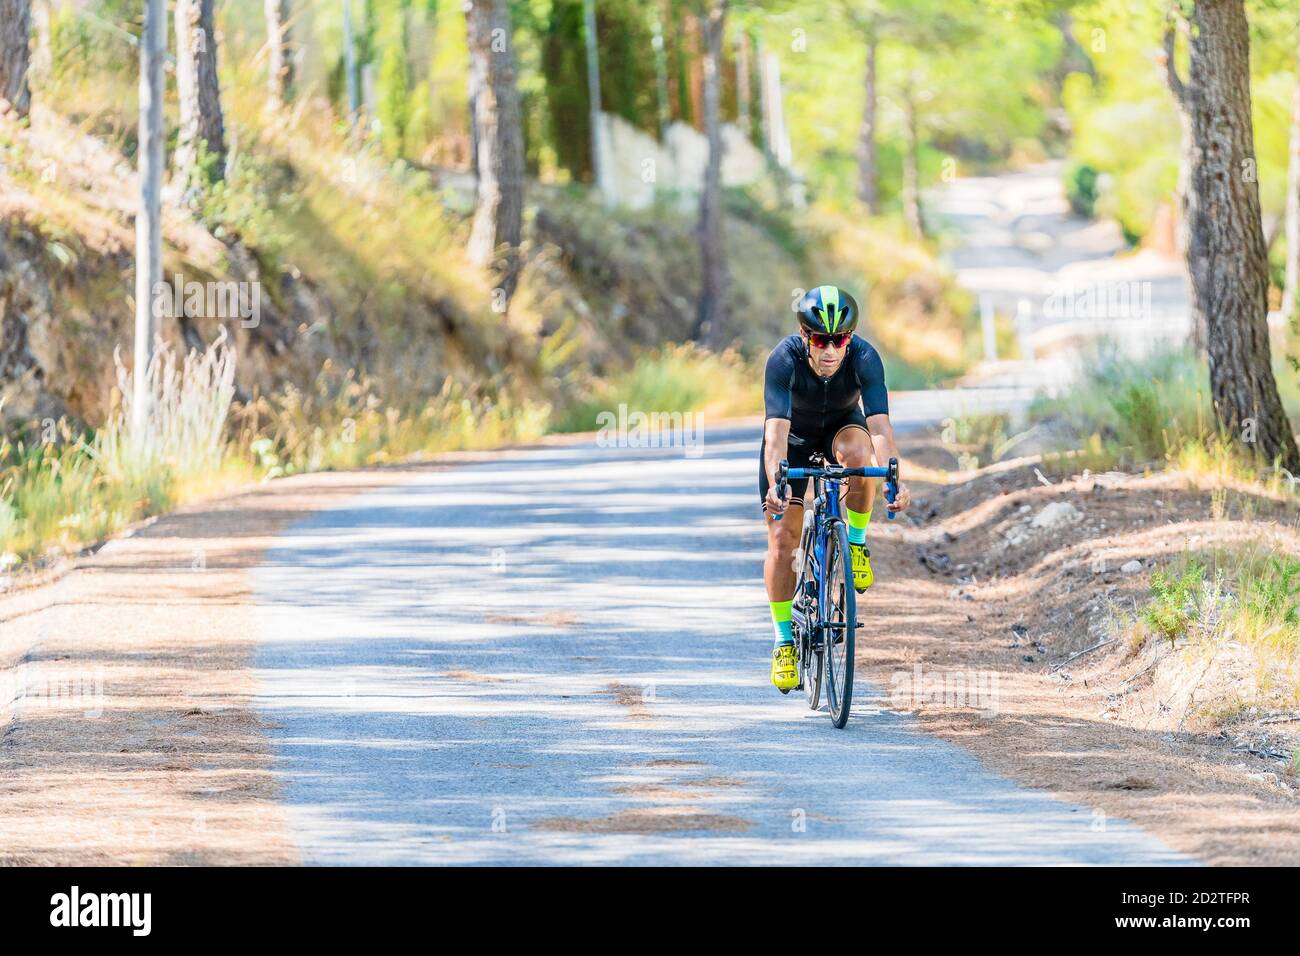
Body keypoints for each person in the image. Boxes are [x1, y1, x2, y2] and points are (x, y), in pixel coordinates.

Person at [759, 285, 911, 690]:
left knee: (860, 459)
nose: (829, 350)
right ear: (805, 336)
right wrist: (776, 481)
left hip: (841, 431)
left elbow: (879, 427)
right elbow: (774, 435)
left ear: (850, 338)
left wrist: (895, 476)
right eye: (820, 340)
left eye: (838, 340)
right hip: (792, 441)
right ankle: (784, 642)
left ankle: (856, 542)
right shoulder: (783, 360)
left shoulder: (865, 358)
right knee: (781, 539)